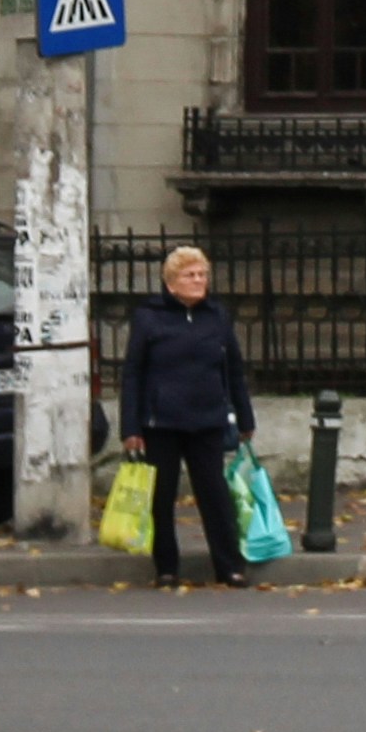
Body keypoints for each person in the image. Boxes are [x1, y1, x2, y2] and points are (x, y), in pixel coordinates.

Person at [115, 243, 257, 588]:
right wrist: (130, 426)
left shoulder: (217, 316)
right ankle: (166, 567)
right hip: (160, 422)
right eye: (189, 275)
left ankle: (229, 566)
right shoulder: (149, 317)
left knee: (215, 497)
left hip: (207, 419)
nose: (197, 280)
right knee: (161, 497)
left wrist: (244, 416)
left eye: (202, 274)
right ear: (170, 283)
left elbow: (233, 369)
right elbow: (133, 372)